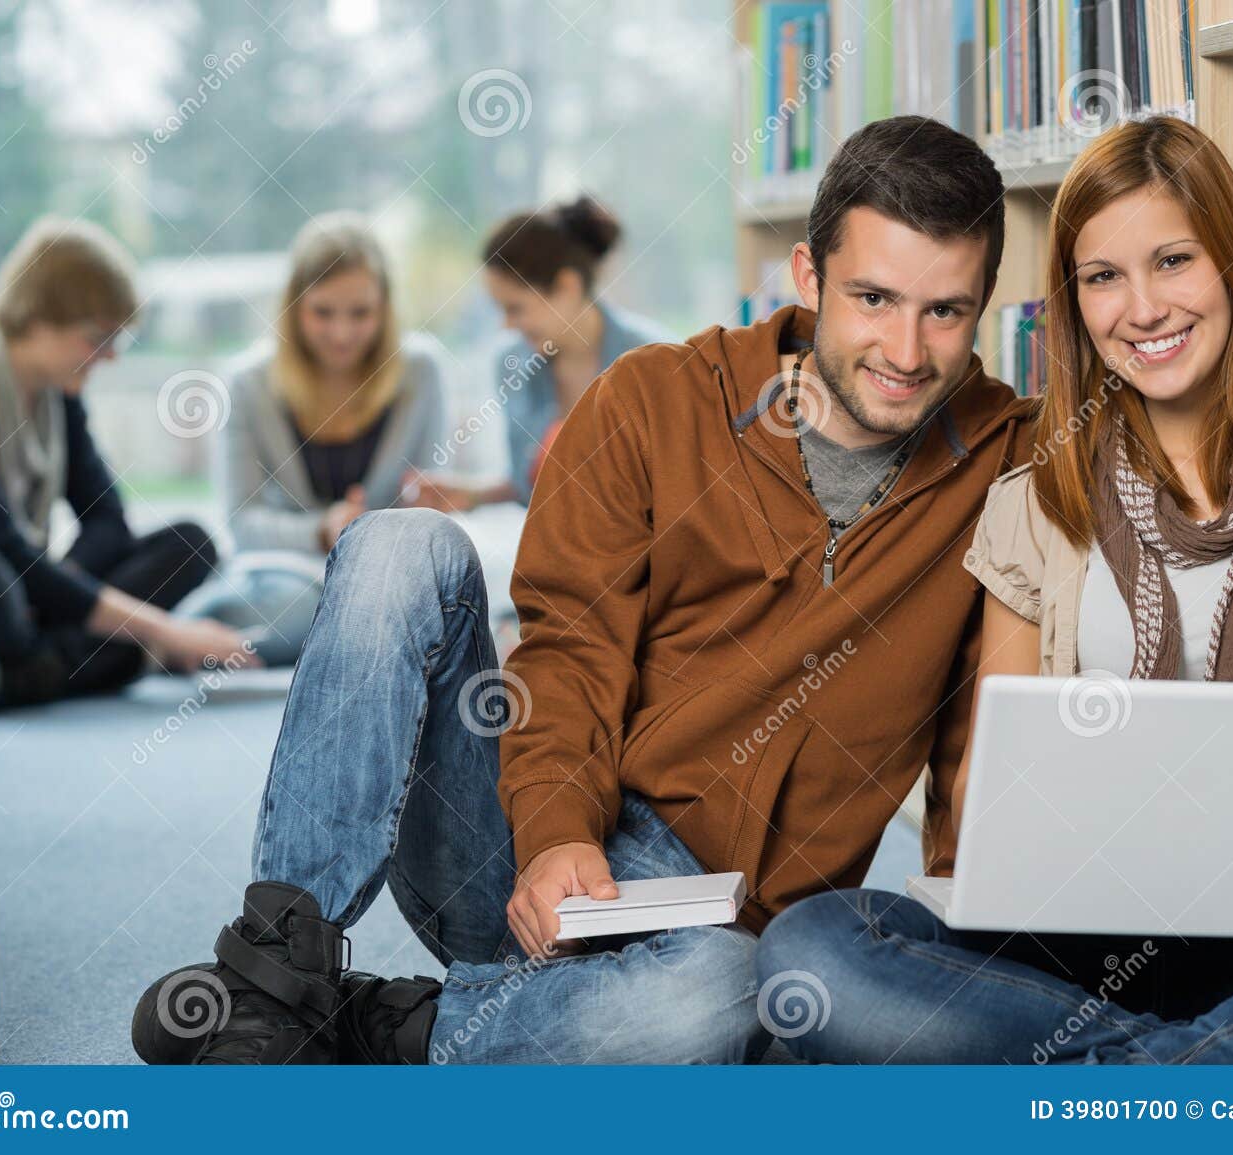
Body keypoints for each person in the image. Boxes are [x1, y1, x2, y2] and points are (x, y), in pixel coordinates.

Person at [128, 115, 1033, 1065]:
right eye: (874, 298)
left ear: (984, 305)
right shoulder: (652, 399)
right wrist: (559, 827)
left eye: (947, 311)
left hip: (711, 939)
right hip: (521, 850)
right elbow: (568, 643)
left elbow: (983, 743)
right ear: (807, 277)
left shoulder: (1008, 467)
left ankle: (382, 1027)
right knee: (399, 544)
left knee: (726, 994)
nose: (906, 348)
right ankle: (280, 968)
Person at [755, 116, 1233, 1065]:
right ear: (1073, 300)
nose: (1144, 308)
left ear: (1231, 261)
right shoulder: (1032, 498)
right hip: (1070, 951)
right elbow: (1012, 761)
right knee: (815, 950)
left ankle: (1103, 1089)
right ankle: (1195, 1079)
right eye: (1103, 278)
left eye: (1173, 260)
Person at [0, 218, 259, 710]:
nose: (108, 358)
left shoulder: (59, 394)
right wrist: (166, 630)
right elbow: (2, 546)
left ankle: (35, 672)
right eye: (98, 338)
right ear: (39, 317)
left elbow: (107, 519)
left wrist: (64, 587)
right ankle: (109, 658)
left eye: (117, 341)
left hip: (36, 598)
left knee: (191, 542)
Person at [404, 195, 665, 511]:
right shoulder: (512, 363)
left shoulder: (655, 360)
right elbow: (528, 484)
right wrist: (471, 494)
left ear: (567, 287)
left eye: (515, 308)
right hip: (550, 551)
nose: (507, 325)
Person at [219, 212, 448, 555]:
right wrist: (323, 532)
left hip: (390, 567)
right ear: (294, 308)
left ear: (385, 310)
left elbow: (429, 502)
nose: (341, 335)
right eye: (323, 312)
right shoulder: (247, 383)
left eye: (360, 313)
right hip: (287, 571)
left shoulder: (421, 370)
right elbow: (242, 524)